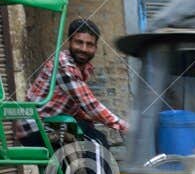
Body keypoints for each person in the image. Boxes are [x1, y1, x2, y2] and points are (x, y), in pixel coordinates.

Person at [23, 18, 128, 146]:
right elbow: (89, 104)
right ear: (69, 41)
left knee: (93, 132)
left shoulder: (84, 68)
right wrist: (122, 126)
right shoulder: (64, 65)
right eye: (79, 42)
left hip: (55, 122)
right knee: (96, 144)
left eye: (89, 44)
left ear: (95, 47)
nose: (84, 49)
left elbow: (73, 102)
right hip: (36, 127)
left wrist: (87, 116)